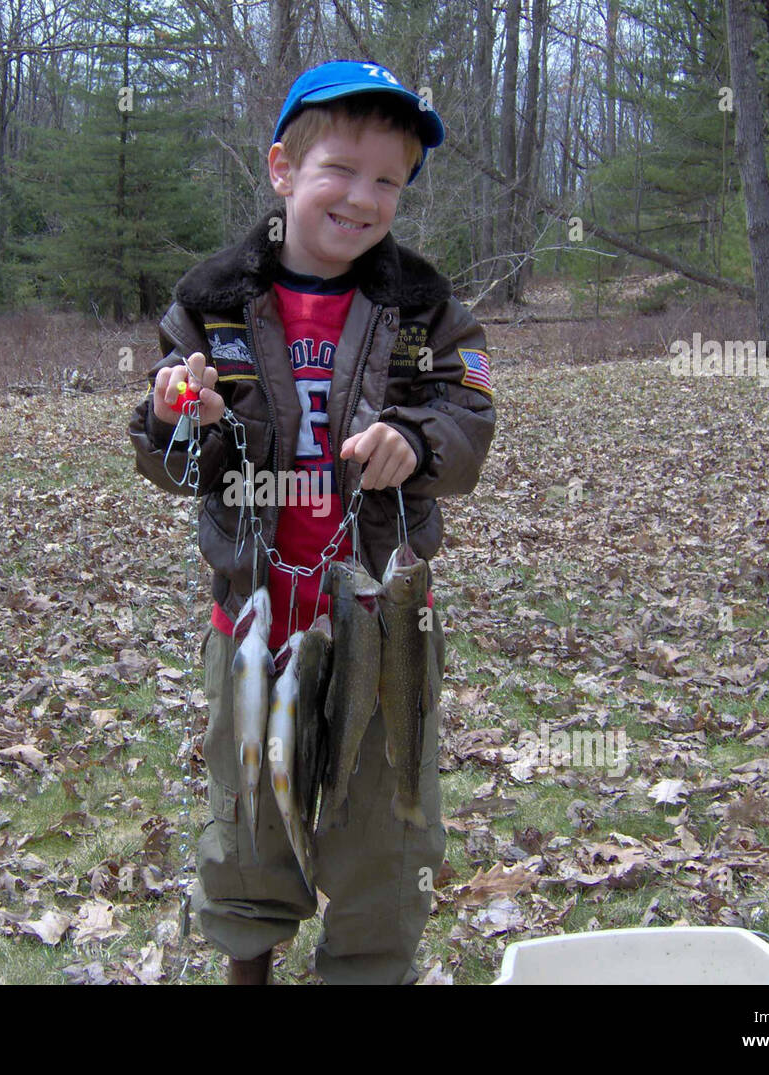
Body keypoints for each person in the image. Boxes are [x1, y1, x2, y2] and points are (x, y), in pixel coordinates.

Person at [128, 60, 496, 984]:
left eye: (388, 181)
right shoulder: (211, 304)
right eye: (341, 169)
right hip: (255, 618)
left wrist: (417, 437)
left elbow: (470, 418)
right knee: (250, 816)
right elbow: (171, 456)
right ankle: (247, 961)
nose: (364, 196)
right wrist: (181, 416)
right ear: (283, 170)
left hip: (382, 621)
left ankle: (367, 968)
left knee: (384, 830)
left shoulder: (425, 305)